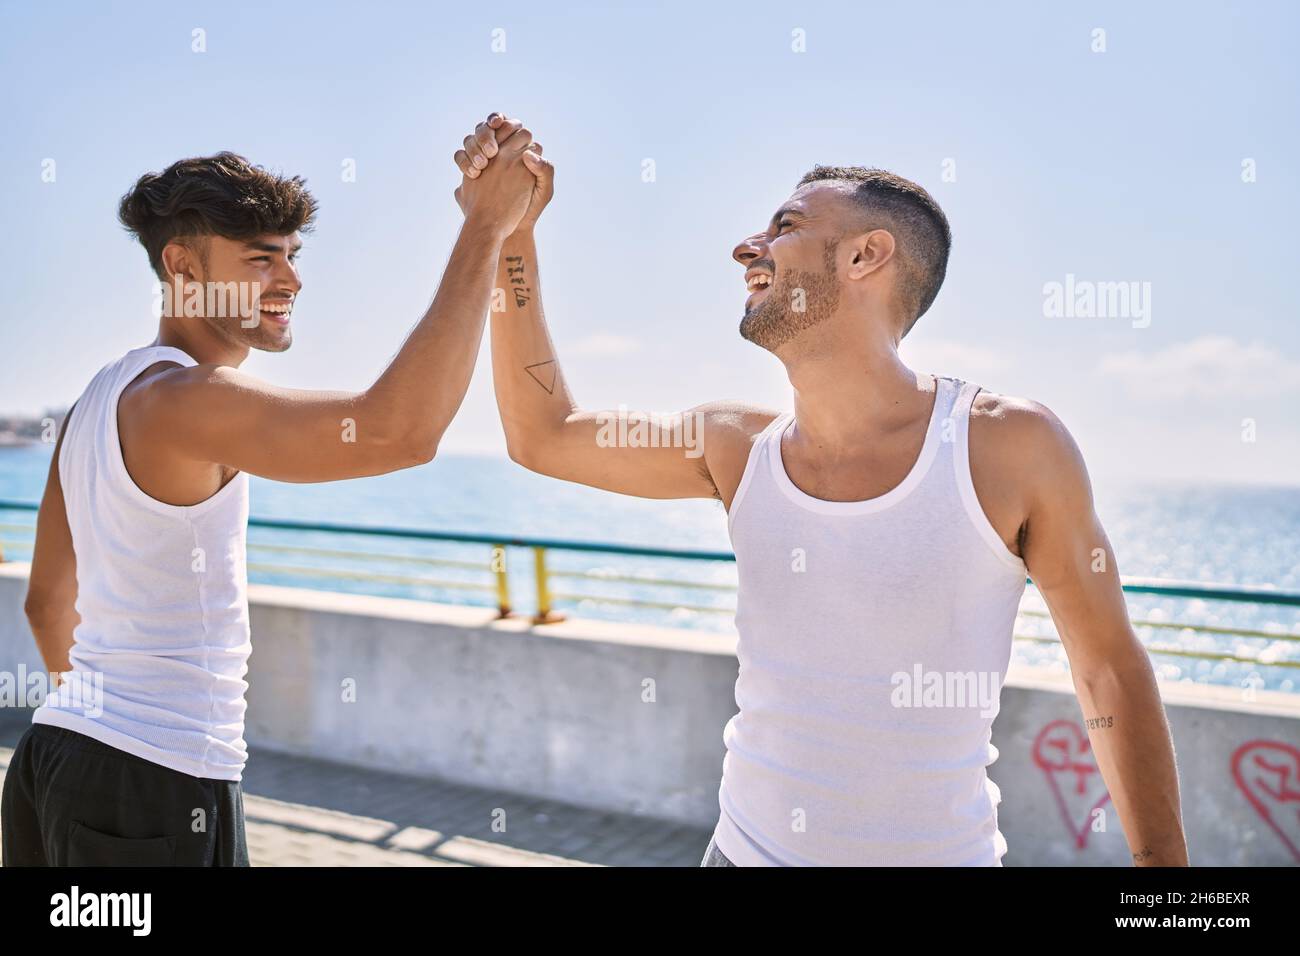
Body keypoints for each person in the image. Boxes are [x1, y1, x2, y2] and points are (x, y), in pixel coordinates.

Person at [454, 120, 1189, 866]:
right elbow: (542, 434)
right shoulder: (734, 448)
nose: (747, 247)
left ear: (867, 255)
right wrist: (512, 234)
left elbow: (1106, 670)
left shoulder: (1007, 446)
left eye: (786, 226)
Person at [1, 116, 545, 865]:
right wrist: (487, 227)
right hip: (154, 780)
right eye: (261, 259)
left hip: (56, 758)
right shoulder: (187, 400)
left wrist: (101, 730)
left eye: (291, 255)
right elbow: (397, 431)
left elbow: (46, 602)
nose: (290, 280)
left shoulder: (98, 397)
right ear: (183, 266)